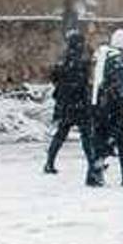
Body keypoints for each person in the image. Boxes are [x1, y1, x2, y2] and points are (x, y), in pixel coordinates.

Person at [43, 29, 94, 180]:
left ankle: (50, 162)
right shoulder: (80, 61)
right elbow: (83, 82)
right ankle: (92, 162)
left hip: (67, 104)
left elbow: (55, 77)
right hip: (78, 104)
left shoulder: (64, 59)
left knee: (62, 134)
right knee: (85, 136)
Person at [87, 28, 123, 187]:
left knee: (100, 143)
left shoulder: (103, 58)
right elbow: (121, 90)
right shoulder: (119, 63)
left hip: (100, 108)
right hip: (115, 110)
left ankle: (94, 174)